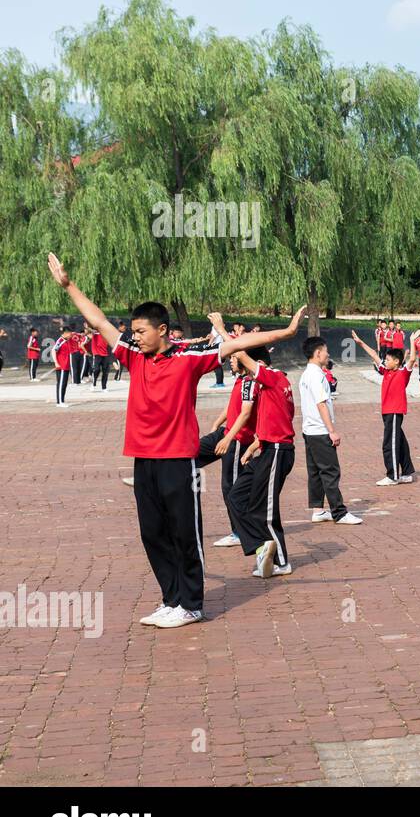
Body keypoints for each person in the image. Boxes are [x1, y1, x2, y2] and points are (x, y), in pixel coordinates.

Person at [47, 252, 303, 628]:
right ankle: (171, 599)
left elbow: (235, 345)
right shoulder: (133, 354)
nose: (134, 337)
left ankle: (192, 603)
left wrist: (285, 333)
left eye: (141, 331)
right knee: (152, 532)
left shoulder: (189, 356)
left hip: (178, 459)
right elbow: (98, 319)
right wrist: (68, 286)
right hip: (142, 457)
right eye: (133, 331)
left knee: (185, 531)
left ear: (162, 330)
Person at [226, 344, 297, 578]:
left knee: (264, 510)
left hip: (277, 451)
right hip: (267, 449)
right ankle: (261, 546)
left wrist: (223, 332)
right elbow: (276, 421)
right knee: (236, 496)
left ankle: (281, 561)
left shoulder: (273, 378)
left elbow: (242, 354)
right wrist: (253, 448)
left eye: (248, 368)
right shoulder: (271, 386)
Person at [300, 336, 363, 526]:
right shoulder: (316, 375)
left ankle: (318, 510)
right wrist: (332, 430)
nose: (328, 354)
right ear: (317, 353)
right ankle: (339, 512)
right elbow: (321, 404)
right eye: (325, 350)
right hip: (319, 431)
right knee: (330, 471)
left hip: (310, 431)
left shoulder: (307, 374)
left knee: (316, 472)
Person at [196, 353, 255, 550]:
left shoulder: (250, 381)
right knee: (191, 451)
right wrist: (216, 423)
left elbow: (246, 413)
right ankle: (160, 469)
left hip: (237, 440)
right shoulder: (240, 380)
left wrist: (229, 438)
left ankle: (239, 532)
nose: (230, 360)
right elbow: (232, 406)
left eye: (234, 358)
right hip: (225, 432)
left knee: (231, 488)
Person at [351, 331, 417, 485]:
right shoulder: (386, 371)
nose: (385, 361)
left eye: (388, 359)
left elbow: (412, 359)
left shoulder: (402, 373)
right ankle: (407, 473)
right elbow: (374, 354)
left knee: (390, 443)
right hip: (387, 411)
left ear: (396, 361)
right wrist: (360, 342)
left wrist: (413, 341)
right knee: (399, 441)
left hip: (394, 411)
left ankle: (393, 476)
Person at [52, 328, 75, 407]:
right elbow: (53, 351)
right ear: (66, 333)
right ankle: (59, 402)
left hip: (66, 366)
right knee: (61, 384)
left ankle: (62, 401)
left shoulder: (67, 341)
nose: (71, 335)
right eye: (70, 334)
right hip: (61, 366)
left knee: (64, 384)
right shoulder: (60, 341)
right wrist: (56, 362)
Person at [89, 323, 112, 390]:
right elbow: (91, 330)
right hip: (97, 354)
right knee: (96, 370)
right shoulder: (96, 333)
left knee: (105, 371)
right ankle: (93, 384)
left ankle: (104, 387)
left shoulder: (107, 335)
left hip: (105, 355)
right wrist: (89, 328)